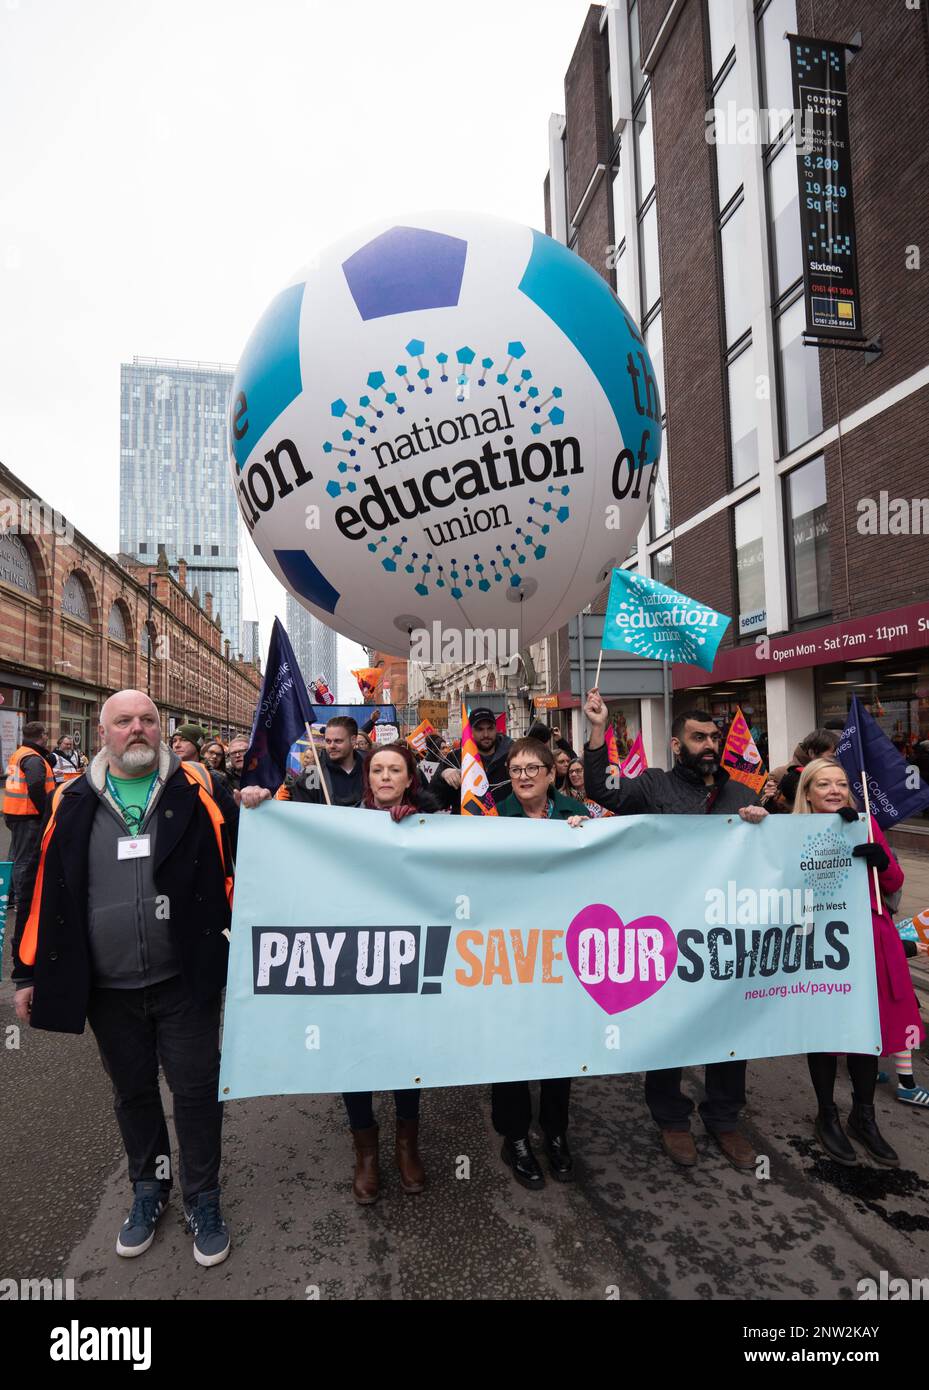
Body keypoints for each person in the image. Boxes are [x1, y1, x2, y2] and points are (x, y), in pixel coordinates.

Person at [11, 690, 236, 1266]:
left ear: (161, 729)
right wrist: (27, 972)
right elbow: (40, 888)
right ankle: (149, 1188)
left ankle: (203, 1197)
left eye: (148, 720)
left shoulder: (200, 788)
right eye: (123, 722)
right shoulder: (72, 798)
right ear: (103, 733)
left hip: (184, 980)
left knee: (195, 1092)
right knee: (132, 1093)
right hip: (108, 989)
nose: (137, 729)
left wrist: (259, 801)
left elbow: (252, 851)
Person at [584, 691, 760, 1171]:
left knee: (730, 1032)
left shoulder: (742, 794)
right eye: (698, 737)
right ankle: (672, 1119)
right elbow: (605, 791)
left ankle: (725, 1120)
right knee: (672, 1029)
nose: (709, 744)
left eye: (714, 737)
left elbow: (770, 858)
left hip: (726, 939)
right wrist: (599, 730)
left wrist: (763, 825)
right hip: (668, 935)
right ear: (677, 745)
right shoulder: (654, 786)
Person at [746, 757, 923, 1166]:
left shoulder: (862, 824)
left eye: (841, 783)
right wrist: (755, 816)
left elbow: (894, 882)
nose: (834, 790)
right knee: (824, 1030)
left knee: (865, 1029)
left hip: (867, 940)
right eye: (824, 783)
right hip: (818, 944)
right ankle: (827, 1114)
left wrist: (880, 860)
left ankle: (864, 1116)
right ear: (807, 791)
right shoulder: (787, 829)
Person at [491, 739, 587, 1189]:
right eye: (515, 769)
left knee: (558, 1045)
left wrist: (590, 836)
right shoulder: (491, 816)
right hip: (509, 950)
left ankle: (555, 1131)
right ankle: (516, 1137)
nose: (524, 776)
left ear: (552, 773)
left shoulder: (577, 810)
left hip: (564, 950)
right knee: (510, 1047)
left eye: (533, 768)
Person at [247, 716, 365, 808]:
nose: (331, 746)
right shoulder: (312, 773)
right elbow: (298, 811)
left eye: (338, 741)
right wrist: (269, 802)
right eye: (328, 741)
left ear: (353, 740)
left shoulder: (370, 767)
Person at [3, 720, 55, 922]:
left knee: (16, 856)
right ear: (42, 735)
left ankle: (10, 896)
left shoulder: (21, 753)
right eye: (46, 734)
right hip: (28, 815)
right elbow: (35, 786)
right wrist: (46, 813)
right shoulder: (32, 758)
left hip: (15, 812)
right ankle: (23, 902)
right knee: (24, 860)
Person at [761, 729, 840, 813]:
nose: (834, 761)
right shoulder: (780, 774)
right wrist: (774, 797)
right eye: (831, 757)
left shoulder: (835, 775)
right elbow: (770, 812)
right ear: (812, 753)